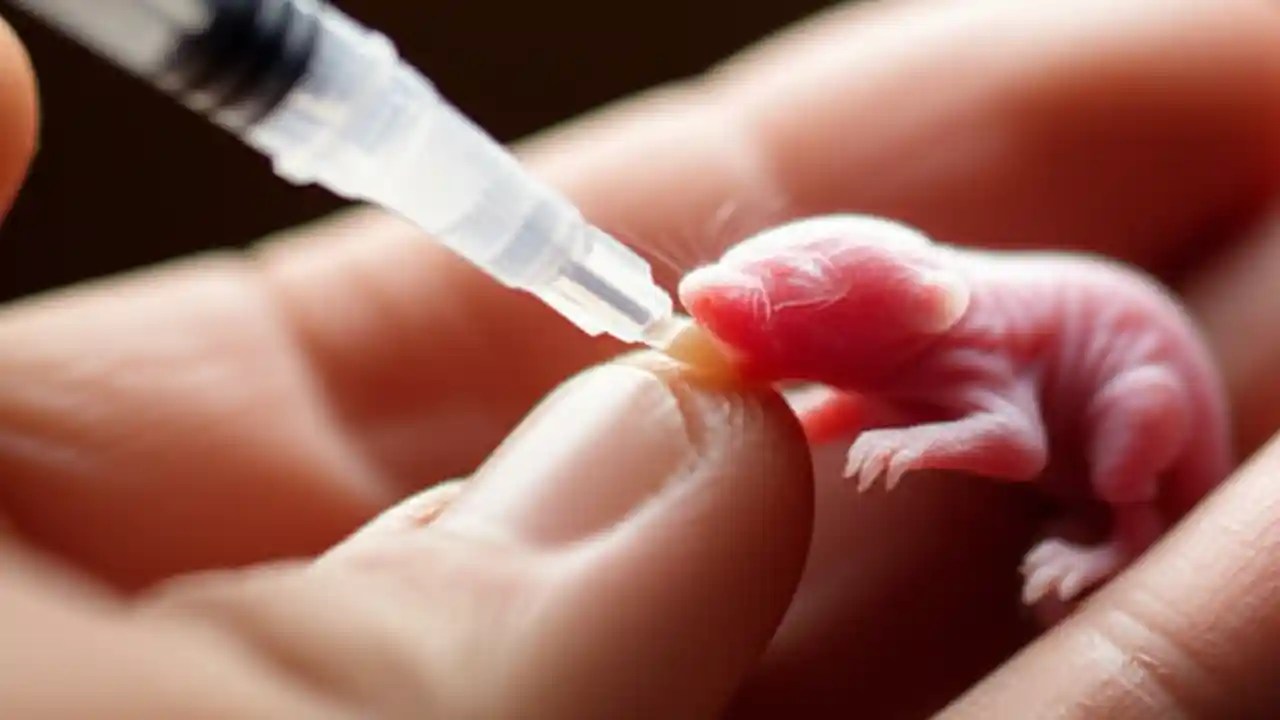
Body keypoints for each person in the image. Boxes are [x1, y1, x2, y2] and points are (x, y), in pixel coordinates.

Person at [2, 0, 1280, 716]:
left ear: (917, 311)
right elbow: (853, 392)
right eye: (769, 275)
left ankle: (1116, 530)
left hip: (1139, 388)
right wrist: (836, 411)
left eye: (798, 303)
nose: (729, 293)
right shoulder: (917, 330)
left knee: (1130, 422)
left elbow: (999, 430)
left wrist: (911, 436)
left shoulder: (974, 344)